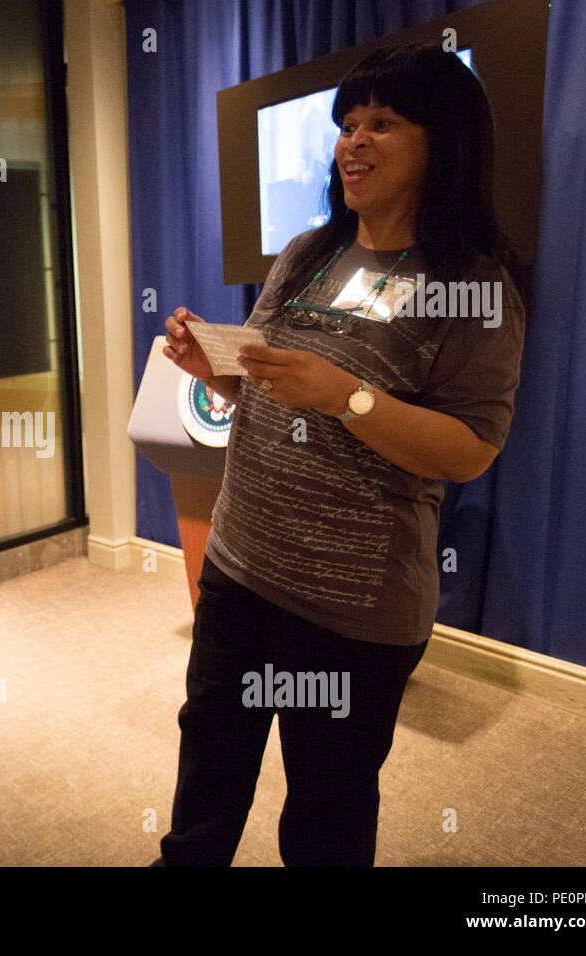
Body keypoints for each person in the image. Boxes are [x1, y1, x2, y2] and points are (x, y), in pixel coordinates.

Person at [159, 43, 527, 866]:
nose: (354, 141)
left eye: (383, 123)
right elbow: (263, 391)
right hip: (239, 571)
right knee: (207, 784)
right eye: (347, 124)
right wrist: (212, 369)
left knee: (325, 818)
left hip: (352, 615)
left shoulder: (473, 285)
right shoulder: (305, 255)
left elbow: (471, 449)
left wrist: (346, 394)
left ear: (445, 143)